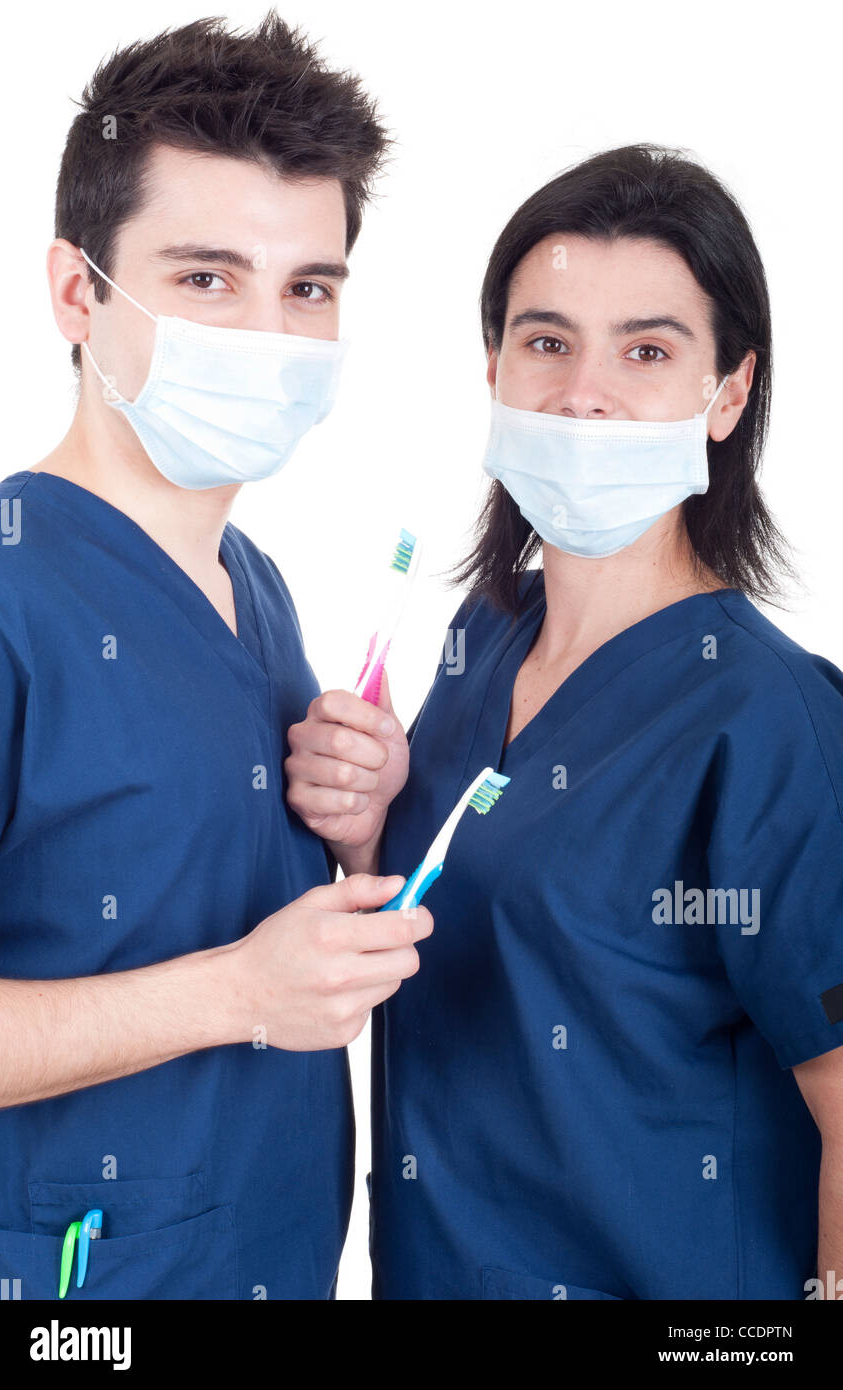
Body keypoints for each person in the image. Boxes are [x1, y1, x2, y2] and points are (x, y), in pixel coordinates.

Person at [286, 145, 843, 1300]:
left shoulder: (768, 718)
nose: (582, 392)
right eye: (545, 342)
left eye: (645, 351)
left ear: (727, 393)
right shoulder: (486, 637)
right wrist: (368, 821)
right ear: (491, 366)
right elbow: (464, 911)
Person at [0, 13, 432, 1302]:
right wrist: (236, 991)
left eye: (308, 288)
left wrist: (354, 827)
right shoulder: (0, 593)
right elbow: (248, 980)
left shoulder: (256, 591)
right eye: (204, 277)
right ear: (78, 290)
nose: (268, 336)